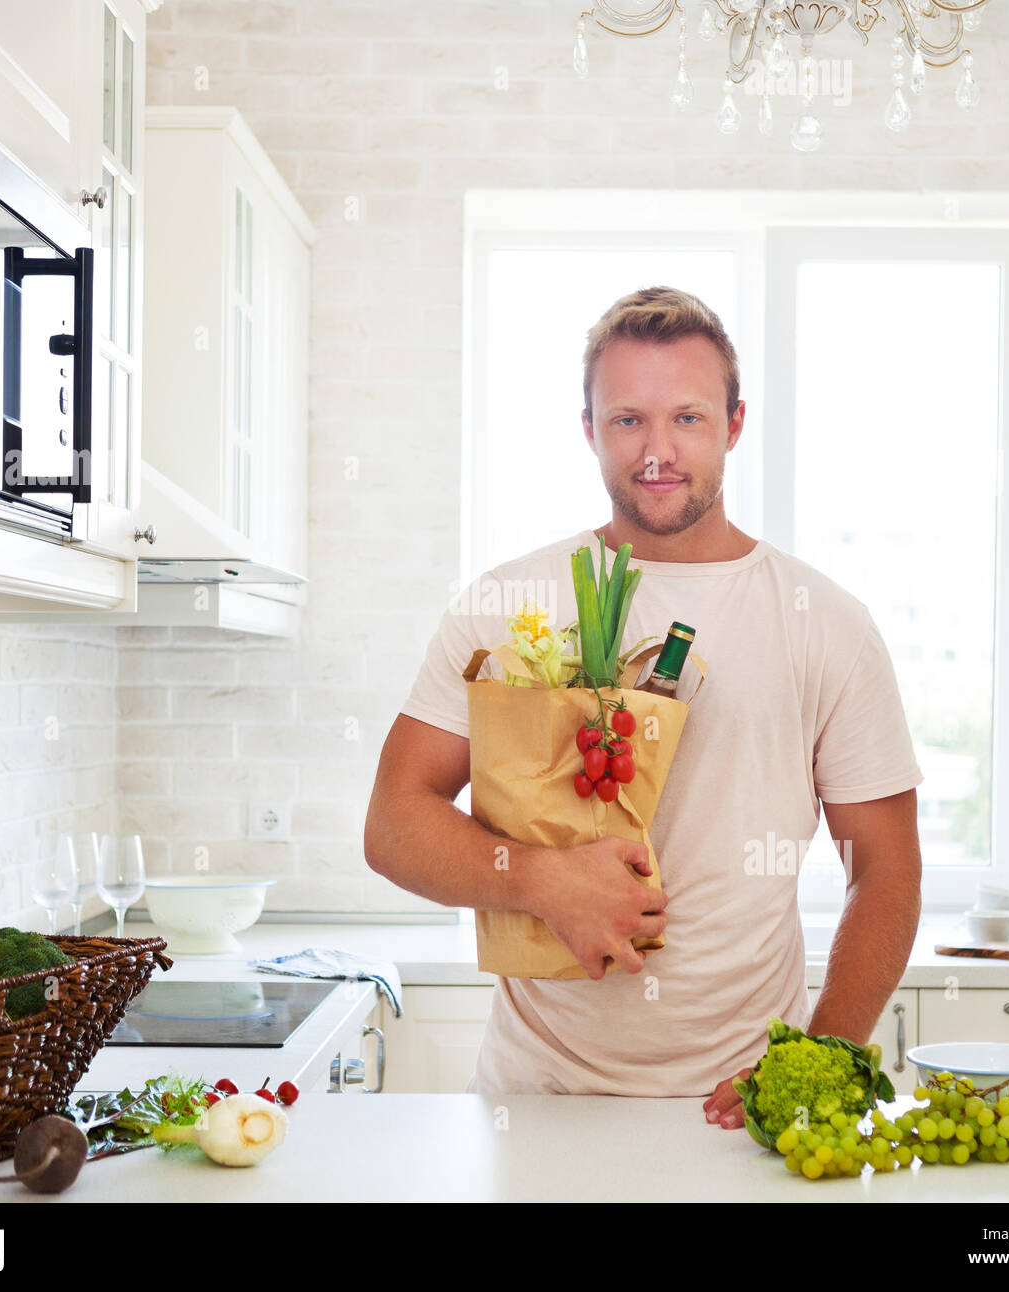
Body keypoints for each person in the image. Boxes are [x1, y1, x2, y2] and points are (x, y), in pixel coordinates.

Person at [364, 285, 923, 1127]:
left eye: (688, 419)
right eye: (627, 419)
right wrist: (541, 880)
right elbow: (392, 825)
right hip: (533, 1104)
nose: (657, 451)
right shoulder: (504, 604)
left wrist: (818, 1056)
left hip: (741, 1108)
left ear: (735, 424)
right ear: (588, 429)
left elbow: (885, 866)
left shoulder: (826, 625)